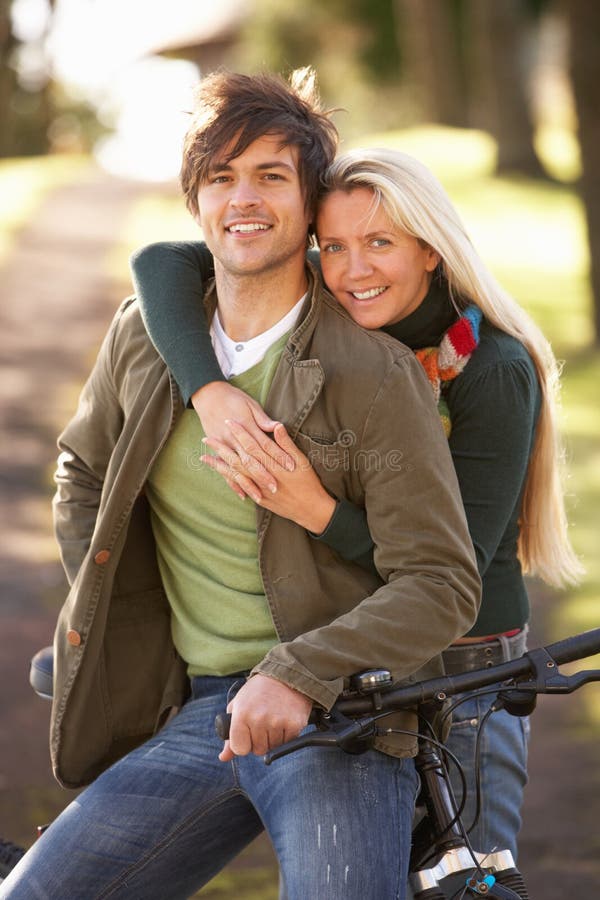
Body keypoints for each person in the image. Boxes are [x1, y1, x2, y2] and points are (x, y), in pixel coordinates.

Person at [0, 72, 480, 900]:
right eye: (220, 177)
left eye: (270, 175)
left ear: (309, 200)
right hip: (197, 712)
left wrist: (297, 672)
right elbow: (82, 471)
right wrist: (112, 612)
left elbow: (441, 583)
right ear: (195, 203)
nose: (243, 198)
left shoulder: (376, 376)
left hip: (345, 720)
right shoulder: (144, 338)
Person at [127, 147, 582, 864]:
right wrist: (207, 388)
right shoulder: (349, 332)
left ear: (430, 250)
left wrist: (313, 509)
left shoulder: (490, 371)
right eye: (332, 247)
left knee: (468, 877)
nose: (353, 271)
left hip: (466, 670)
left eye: (380, 244)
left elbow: (442, 573)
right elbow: (161, 263)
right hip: (378, 658)